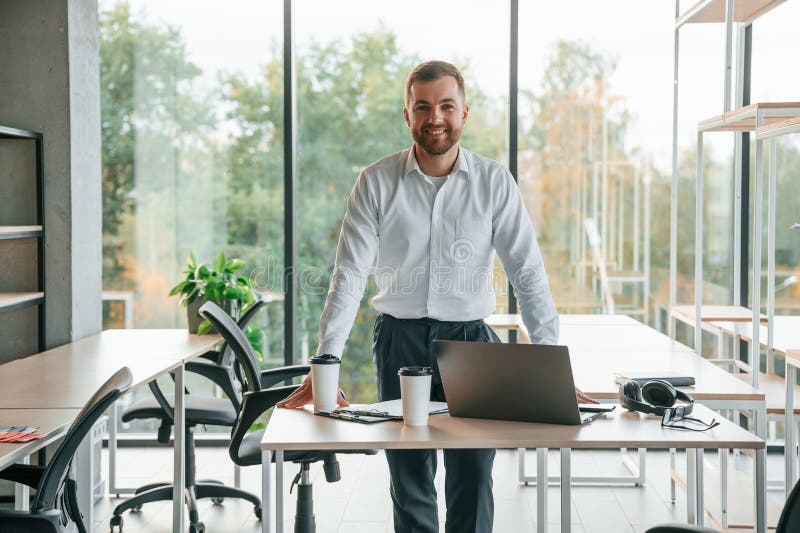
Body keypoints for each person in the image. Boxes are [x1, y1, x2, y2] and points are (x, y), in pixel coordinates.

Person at [278, 60, 595, 533]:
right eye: (423, 107)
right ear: (407, 115)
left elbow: (527, 273)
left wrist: (552, 368)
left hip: (473, 347)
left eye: (447, 105)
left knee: (472, 478)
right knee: (409, 481)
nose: (435, 117)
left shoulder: (493, 182)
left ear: (465, 113)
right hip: (399, 342)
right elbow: (348, 275)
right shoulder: (376, 181)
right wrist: (324, 361)